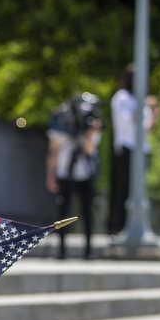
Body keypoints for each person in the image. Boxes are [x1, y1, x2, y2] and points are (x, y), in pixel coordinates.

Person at [47, 93, 103, 259]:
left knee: (87, 212)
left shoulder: (92, 125)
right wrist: (50, 176)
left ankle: (88, 250)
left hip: (85, 173)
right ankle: (61, 250)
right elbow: (53, 152)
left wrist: (88, 132)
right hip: (65, 173)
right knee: (63, 212)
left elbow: (88, 149)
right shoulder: (60, 124)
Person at [110, 64, 159, 234]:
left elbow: (146, 128)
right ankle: (119, 227)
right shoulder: (122, 97)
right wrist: (143, 105)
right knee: (125, 188)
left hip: (141, 149)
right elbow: (127, 121)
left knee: (139, 189)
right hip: (127, 148)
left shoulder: (140, 99)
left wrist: (154, 111)